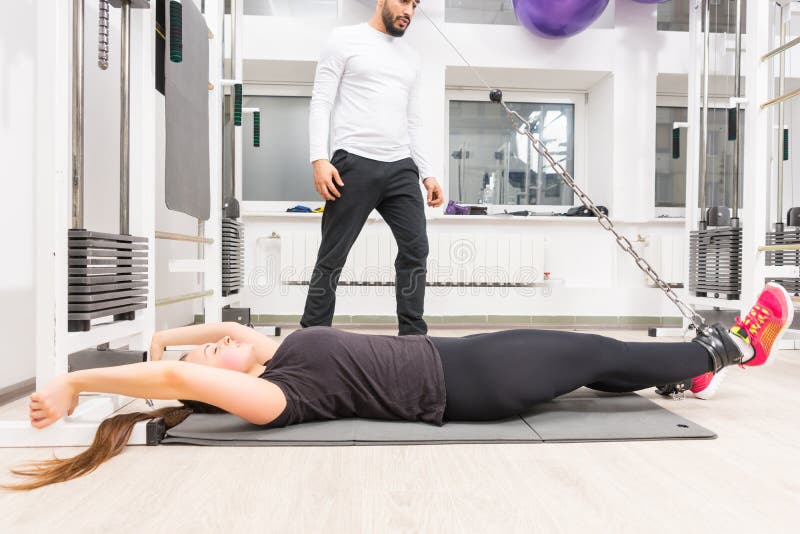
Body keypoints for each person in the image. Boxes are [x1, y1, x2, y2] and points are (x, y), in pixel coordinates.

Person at [6, 283, 792, 490]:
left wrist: (163, 338)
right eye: (214, 357)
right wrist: (82, 381)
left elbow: (188, 351)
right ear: (221, 391)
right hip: (469, 387)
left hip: (460, 357)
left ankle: (684, 376)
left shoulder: (272, 354)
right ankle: (728, 349)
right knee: (583, 351)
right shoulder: (280, 398)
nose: (219, 343)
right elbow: (180, 376)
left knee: (585, 359)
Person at [303, 0, 444, 336]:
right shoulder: (343, 39)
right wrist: (318, 158)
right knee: (333, 255)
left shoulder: (410, 57)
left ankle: (413, 338)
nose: (409, 10)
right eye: (403, 1)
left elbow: (413, 119)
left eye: (415, 4)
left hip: (401, 167)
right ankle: (312, 337)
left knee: (416, 249)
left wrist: (427, 172)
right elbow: (321, 100)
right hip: (353, 162)